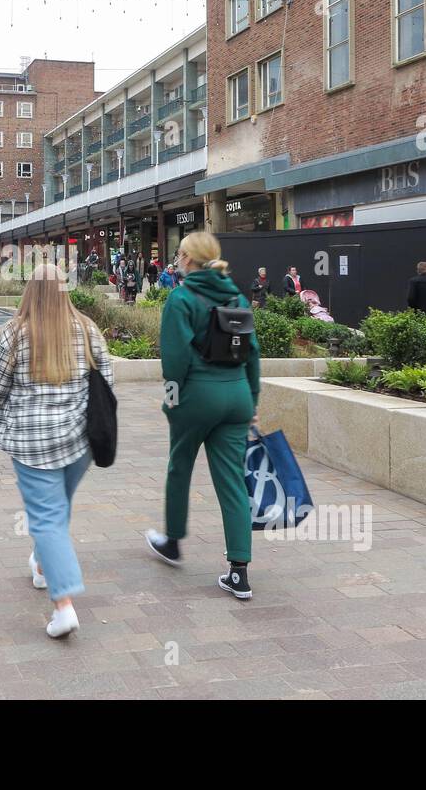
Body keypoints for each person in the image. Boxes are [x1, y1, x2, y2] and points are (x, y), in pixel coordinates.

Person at [0, 264, 114, 639]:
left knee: (47, 516)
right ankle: (43, 565)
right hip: (80, 443)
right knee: (55, 510)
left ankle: (63, 606)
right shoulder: (87, 329)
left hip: (33, 444)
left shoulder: (13, 334)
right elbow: (106, 385)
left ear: (30, 292)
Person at [146, 231, 261, 601]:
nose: (176, 259)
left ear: (190, 260)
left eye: (179, 254)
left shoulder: (181, 297)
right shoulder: (237, 295)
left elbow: (174, 359)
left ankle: (173, 542)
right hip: (237, 397)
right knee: (232, 481)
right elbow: (252, 353)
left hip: (196, 396)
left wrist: (171, 399)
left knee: (179, 466)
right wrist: (252, 401)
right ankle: (239, 571)